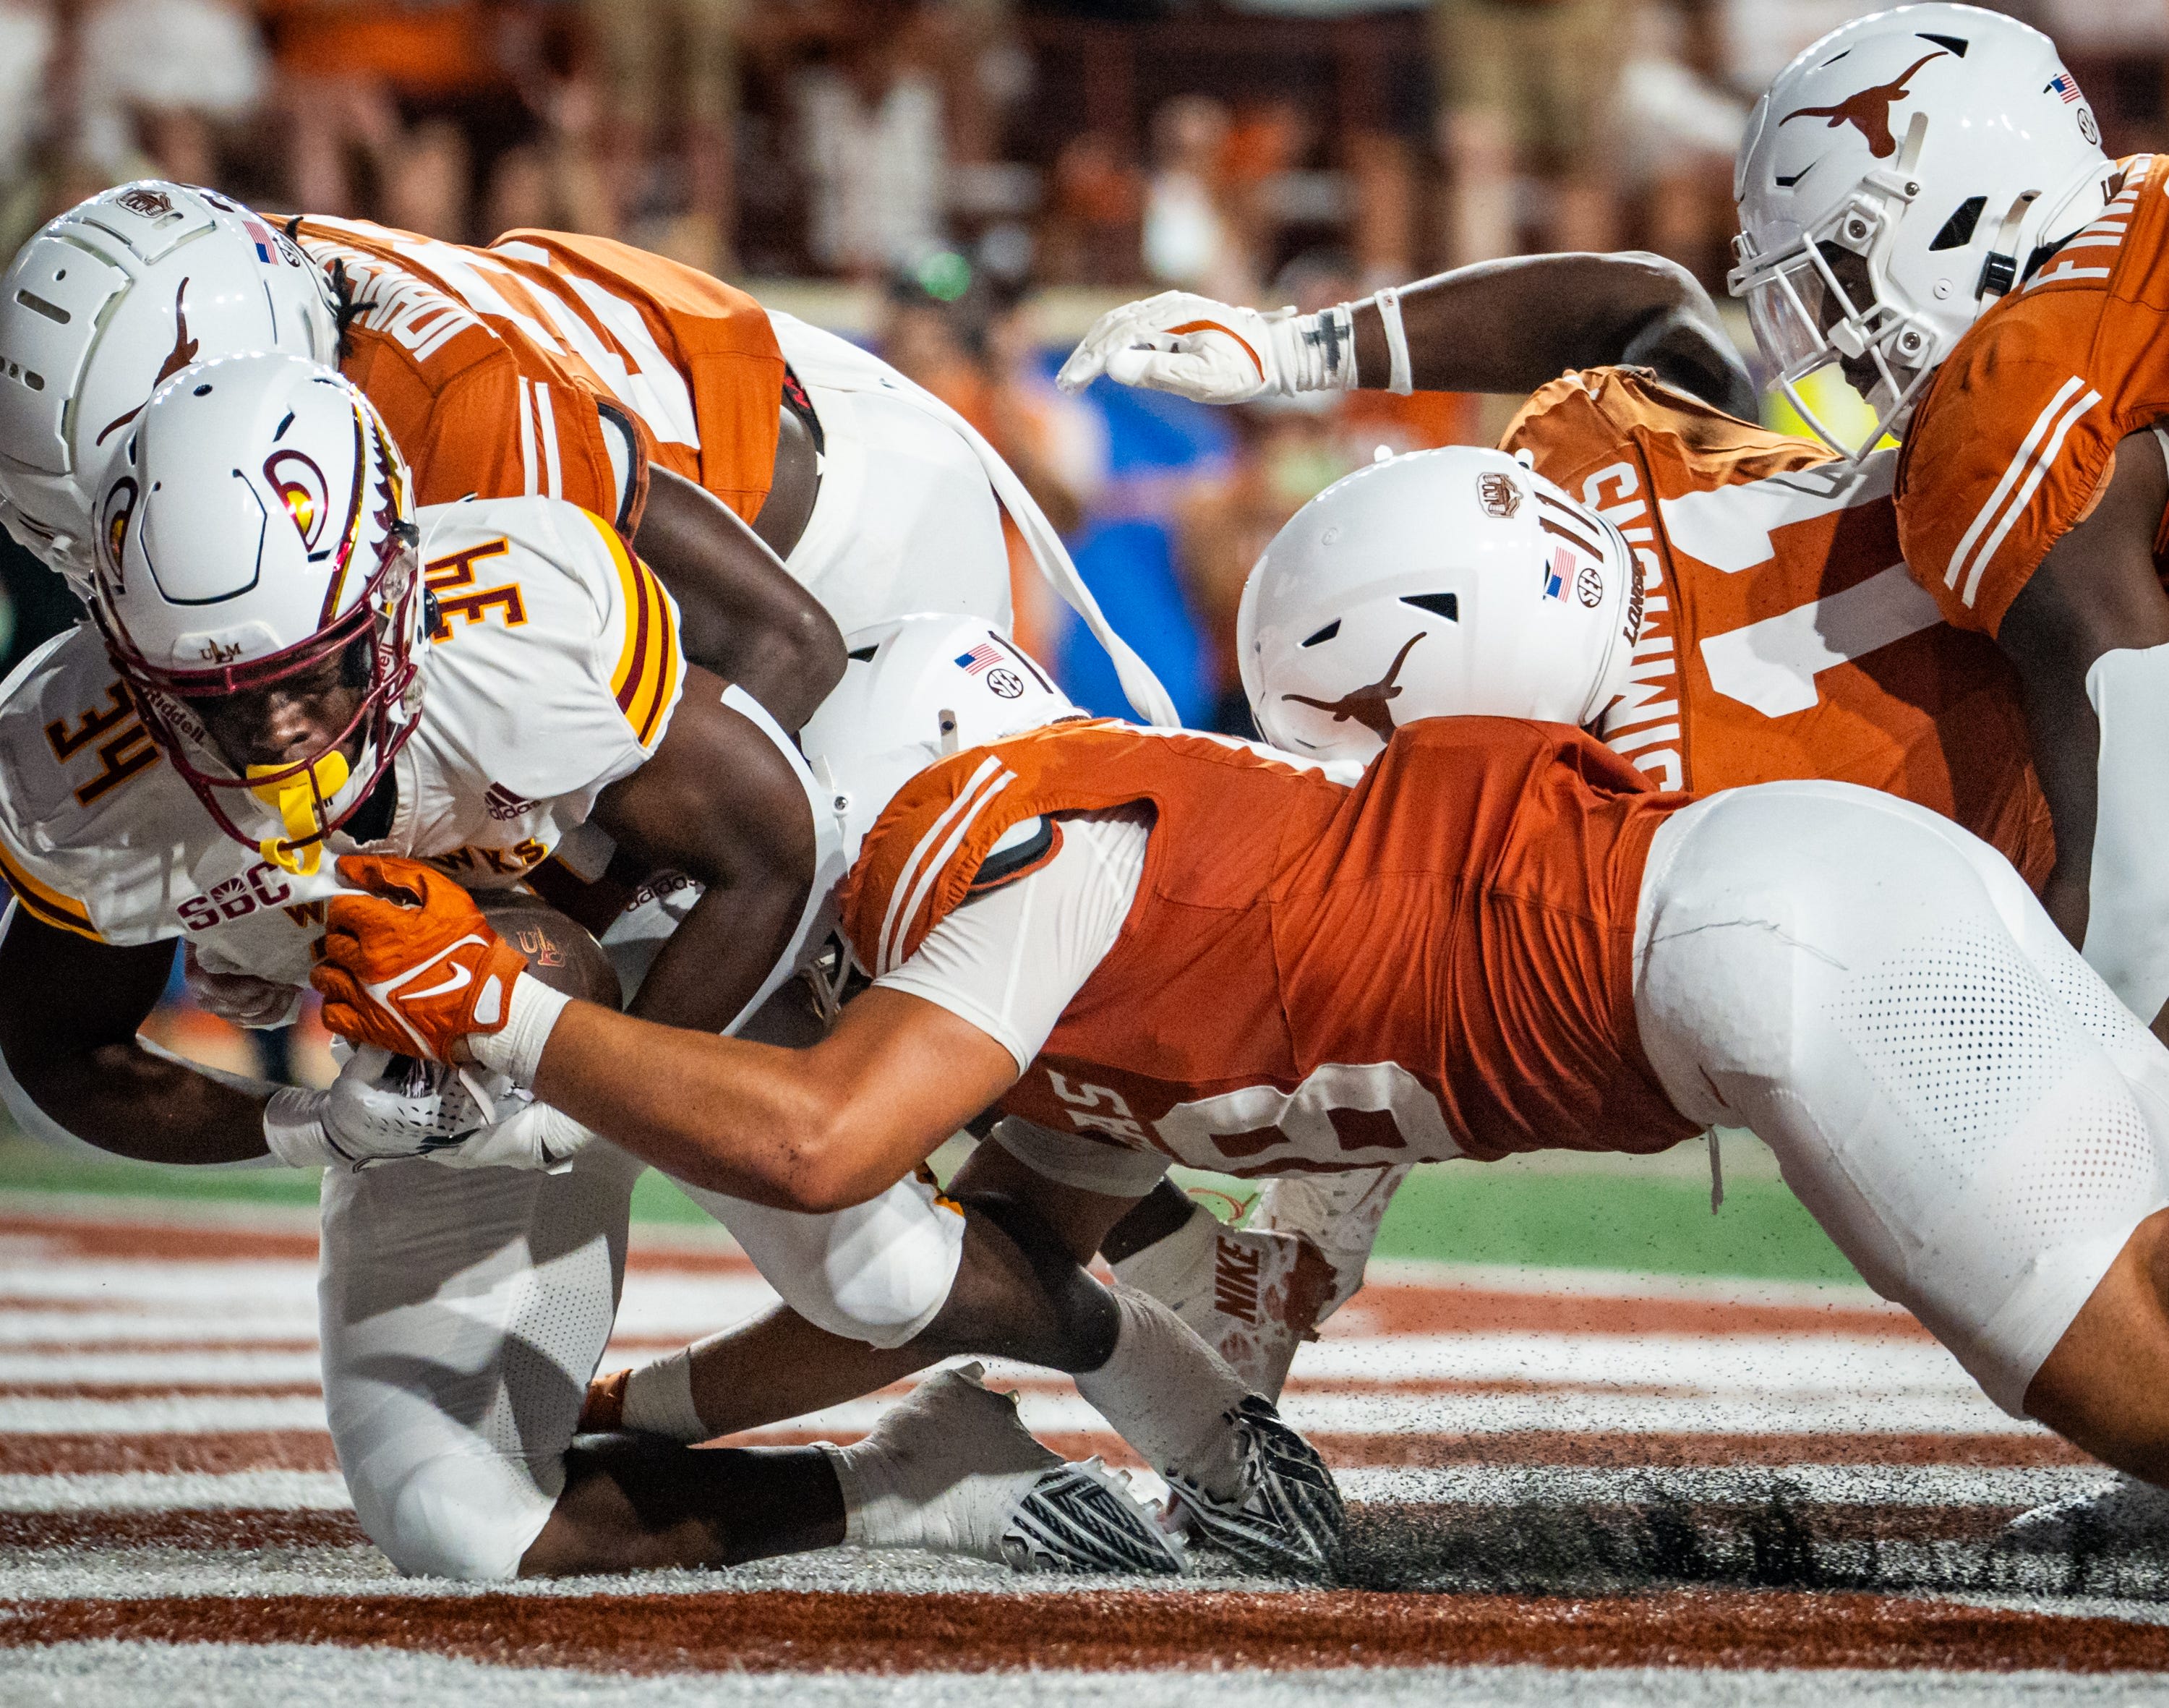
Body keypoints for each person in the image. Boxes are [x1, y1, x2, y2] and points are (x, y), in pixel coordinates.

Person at [306, 444, 2169, 1517]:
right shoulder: (1073, 945)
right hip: (1778, 924)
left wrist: (504, 1013)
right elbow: (983, 1286)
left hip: (1758, 949)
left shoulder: (1029, 854)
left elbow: (812, 1146)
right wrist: (643, 1408)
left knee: (2134, 1390)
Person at [0, 352, 1185, 1581]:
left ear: (399, 584)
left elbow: (771, 846)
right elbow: (56, 1052)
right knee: (455, 1523)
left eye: (314, 672)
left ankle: (1184, 1391)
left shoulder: (523, 602)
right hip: (414, 1068)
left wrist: (591, 1099)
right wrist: (316, 1128)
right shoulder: (78, 762)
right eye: (214, 698)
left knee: (878, 1270)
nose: (278, 731)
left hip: (639, 945)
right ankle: (910, 1482)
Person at [0, 180, 1174, 725]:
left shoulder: (458, 415)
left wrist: (560, 921)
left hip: (831, 562)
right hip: (697, 495)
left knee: (781, 1109)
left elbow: (781, 643)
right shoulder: (252, 297)